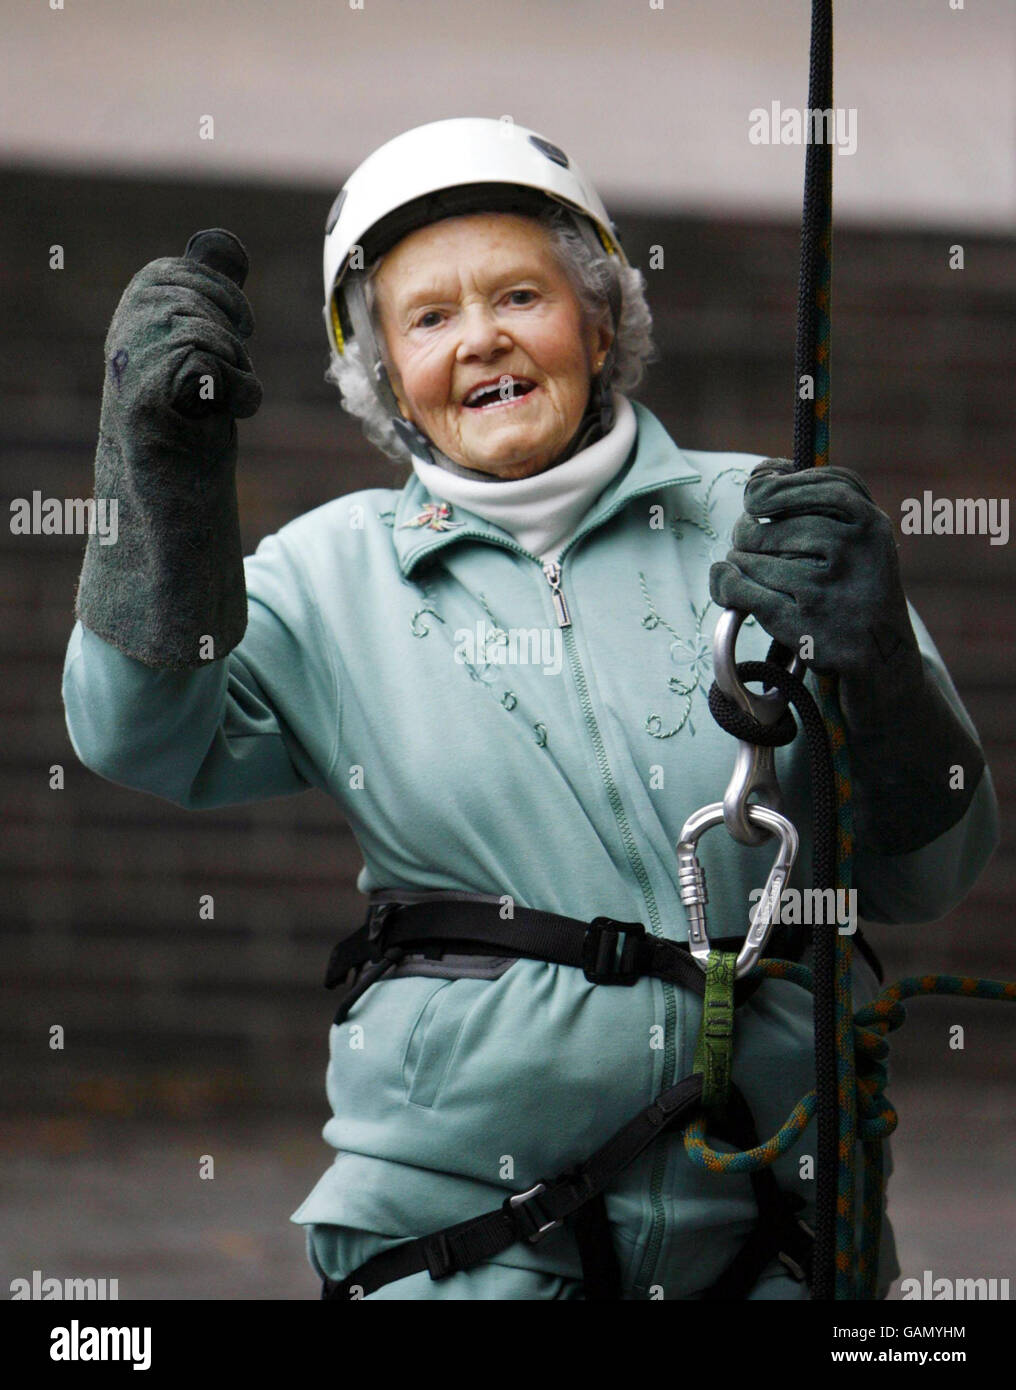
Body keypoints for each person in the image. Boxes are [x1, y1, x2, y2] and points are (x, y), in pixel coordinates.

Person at [62, 117, 998, 1300]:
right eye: (430, 317)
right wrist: (161, 484)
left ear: (599, 317)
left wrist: (883, 680)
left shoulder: (774, 521)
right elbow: (136, 735)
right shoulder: (325, 575)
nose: (481, 340)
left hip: (779, 1227)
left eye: (519, 294)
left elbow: (934, 873)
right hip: (456, 1236)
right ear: (383, 372)